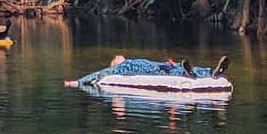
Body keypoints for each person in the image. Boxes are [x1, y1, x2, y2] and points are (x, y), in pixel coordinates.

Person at [64, 54, 230, 88]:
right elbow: (97, 74)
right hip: (150, 71)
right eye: (115, 57)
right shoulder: (118, 68)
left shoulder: (131, 60)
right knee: (171, 71)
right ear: (114, 63)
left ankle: (212, 72)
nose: (118, 55)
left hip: (157, 64)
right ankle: (188, 73)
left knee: (176, 67)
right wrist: (76, 82)